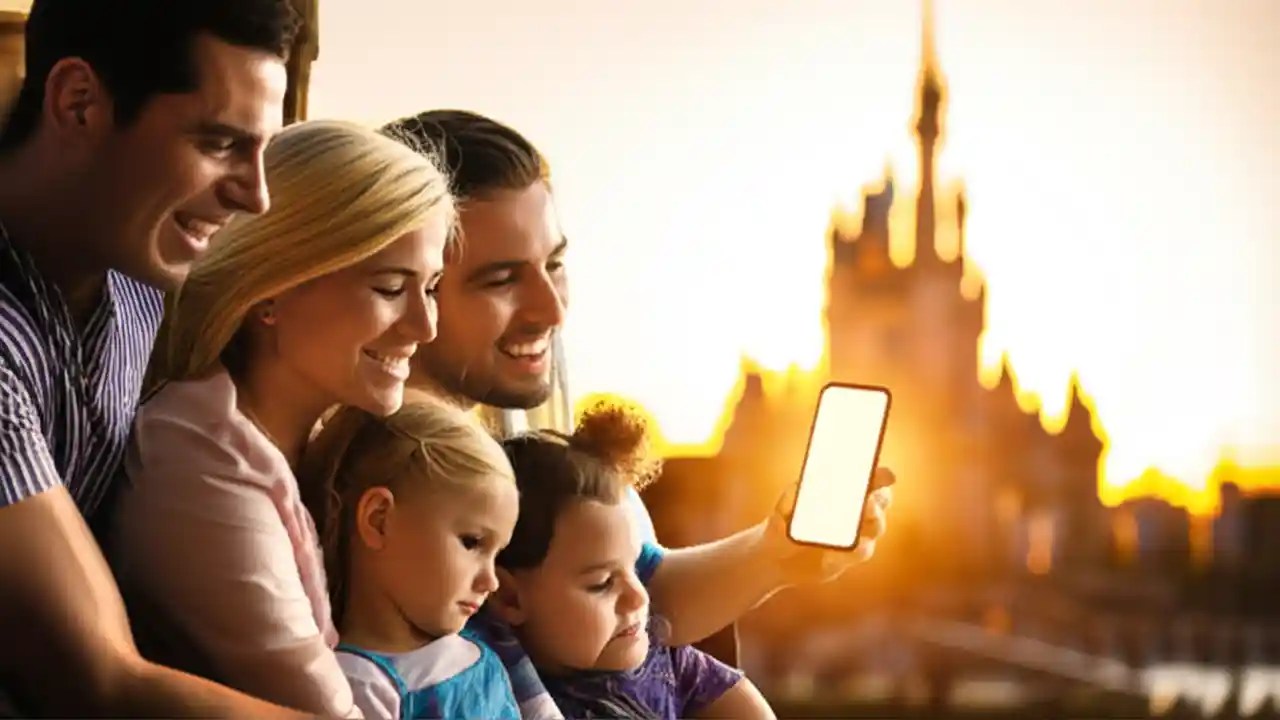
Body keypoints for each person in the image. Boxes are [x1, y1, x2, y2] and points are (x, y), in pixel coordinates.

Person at [383, 108, 894, 637]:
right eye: (501, 280)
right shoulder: (387, 493)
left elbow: (645, 599)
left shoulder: (528, 450)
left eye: (554, 265)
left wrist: (780, 552)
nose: (551, 310)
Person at [0, 0, 310, 715]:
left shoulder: (144, 277)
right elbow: (101, 680)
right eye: (220, 143)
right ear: (79, 104)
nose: (256, 196)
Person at [108, 119, 455, 717]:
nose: (424, 328)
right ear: (271, 288)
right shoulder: (193, 462)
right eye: (391, 287)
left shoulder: (344, 440)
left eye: (432, 288)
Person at [493, 400, 775, 720]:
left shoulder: (659, 661)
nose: (638, 596)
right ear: (510, 598)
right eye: (602, 584)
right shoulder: (503, 702)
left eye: (636, 568)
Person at [302, 397, 522, 720]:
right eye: (472, 542)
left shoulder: (478, 648)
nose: (490, 581)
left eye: (496, 553)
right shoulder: (356, 690)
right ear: (379, 520)